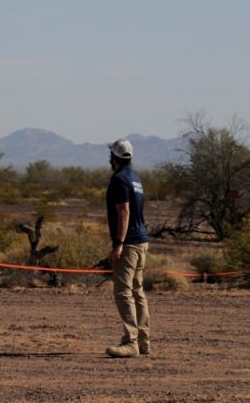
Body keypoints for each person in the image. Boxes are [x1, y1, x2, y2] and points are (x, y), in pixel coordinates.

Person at [105, 138, 150, 358]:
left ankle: (130, 342)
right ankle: (143, 341)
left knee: (123, 293)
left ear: (114, 158)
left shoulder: (119, 180)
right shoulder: (135, 179)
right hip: (141, 242)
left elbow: (124, 212)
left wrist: (118, 244)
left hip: (129, 244)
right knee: (137, 292)